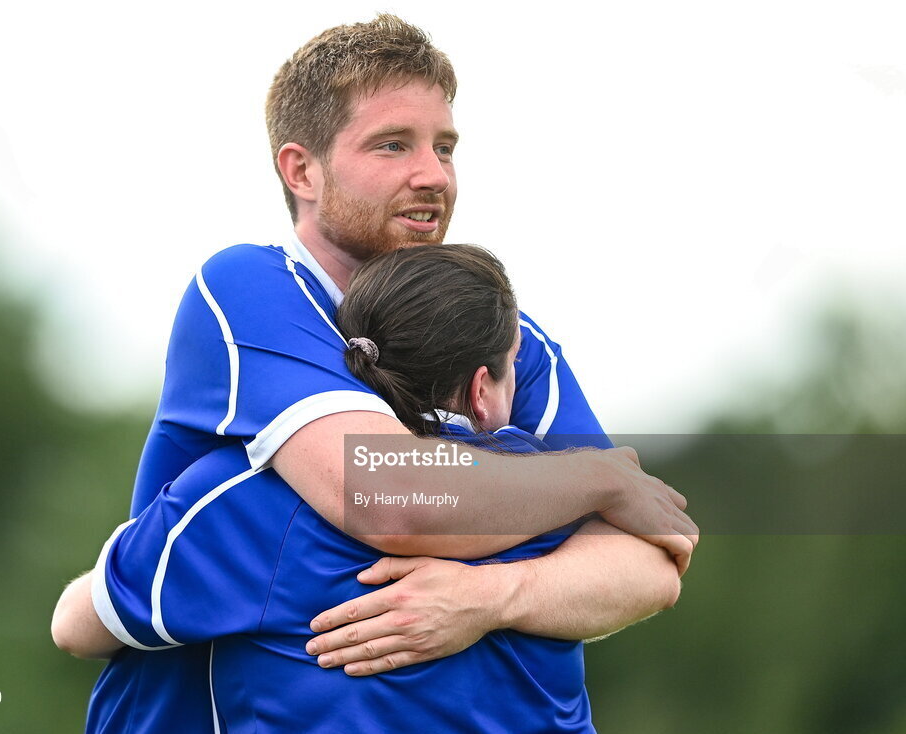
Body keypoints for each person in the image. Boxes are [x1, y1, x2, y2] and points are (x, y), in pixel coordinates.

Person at [51, 14, 697, 733]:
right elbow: (387, 493)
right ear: (301, 170)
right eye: (393, 145)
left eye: (444, 147)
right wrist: (601, 478)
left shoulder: (508, 336)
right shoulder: (250, 288)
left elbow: (649, 562)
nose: (432, 175)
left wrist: (489, 597)